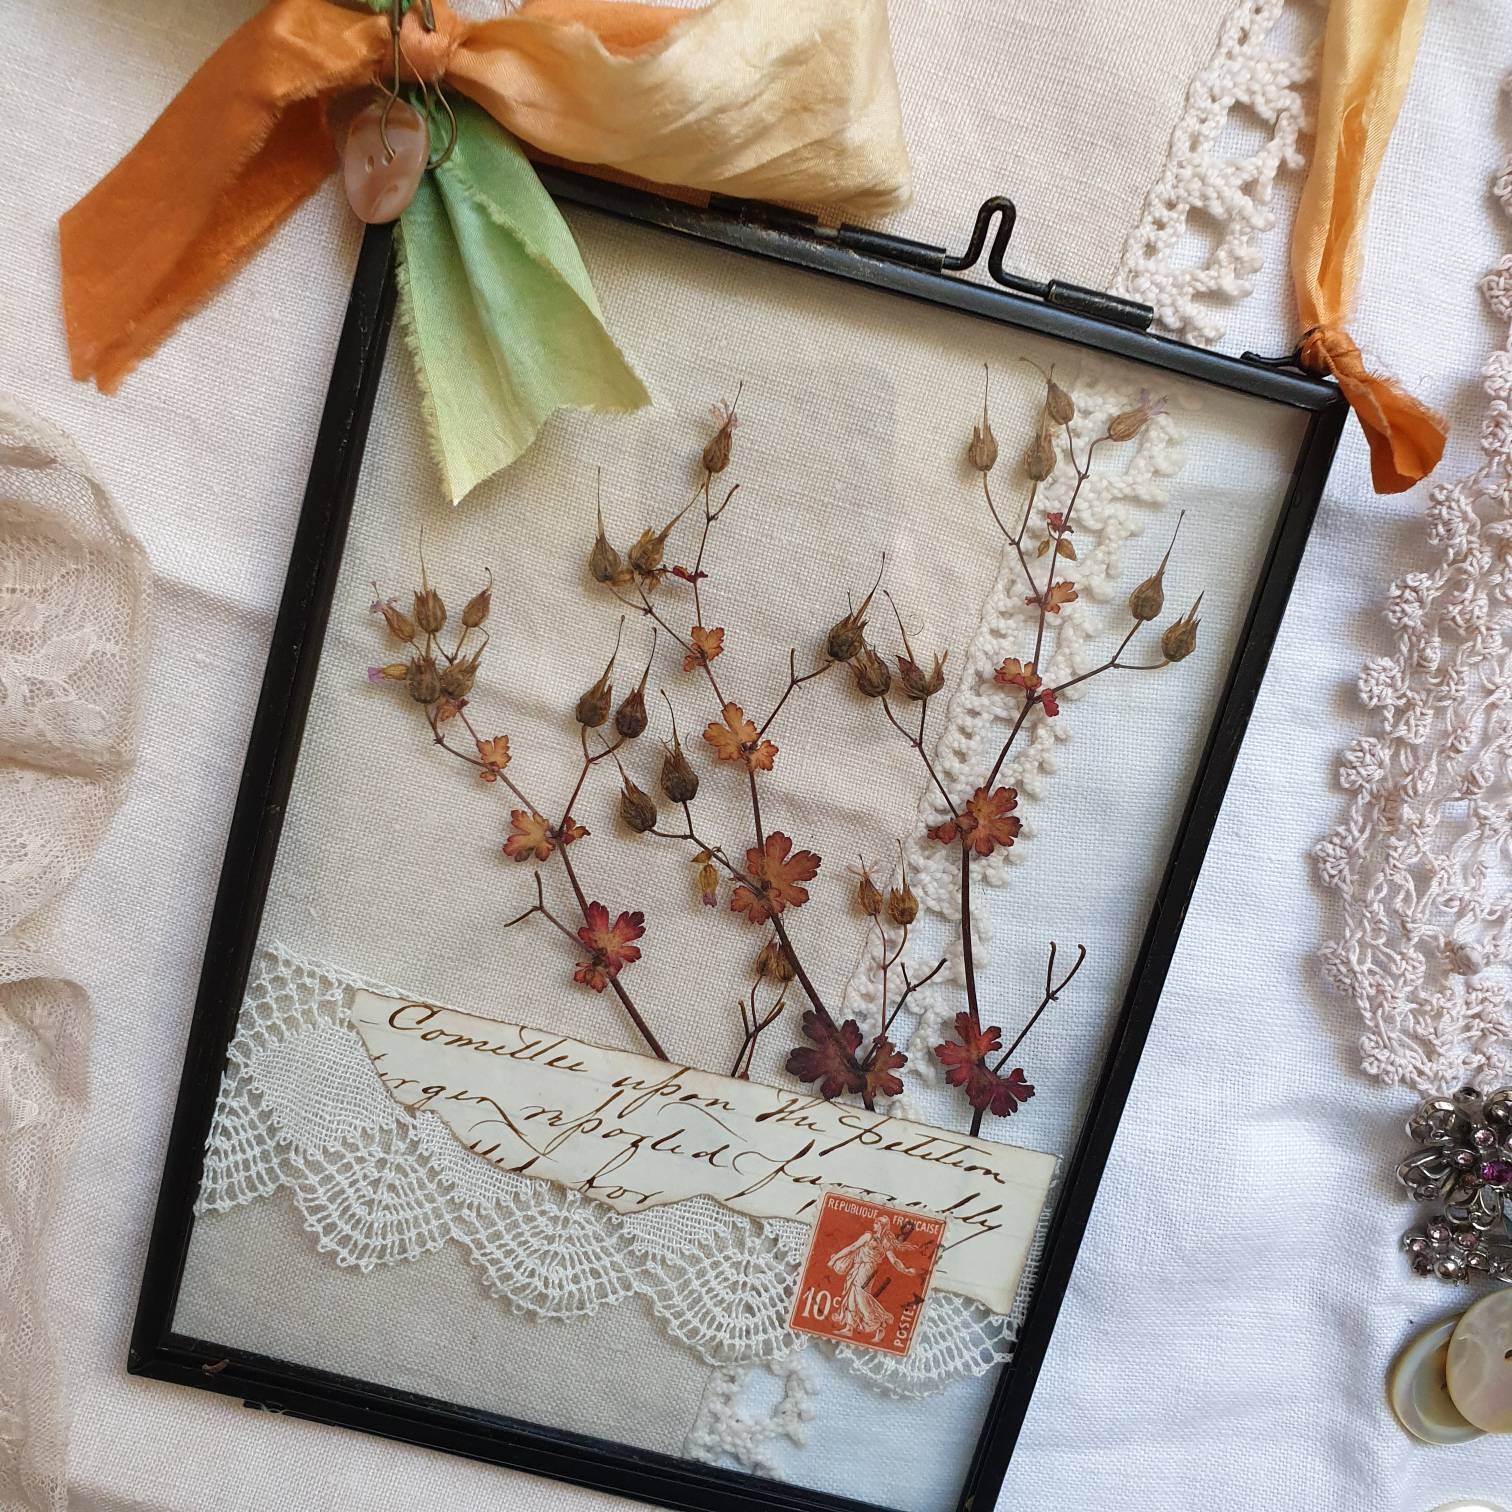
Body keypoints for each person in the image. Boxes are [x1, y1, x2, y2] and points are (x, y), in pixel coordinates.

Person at [827, 1217, 919, 1341]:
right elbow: (852, 1248)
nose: (873, 1225)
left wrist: (905, 1270)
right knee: (852, 1294)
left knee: (860, 1295)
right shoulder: (868, 1236)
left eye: (876, 1223)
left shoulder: (885, 1242)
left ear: (882, 1225)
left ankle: (879, 1322)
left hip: (869, 1271)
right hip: (859, 1267)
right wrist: (834, 1259)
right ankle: (849, 1327)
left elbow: (894, 1260)